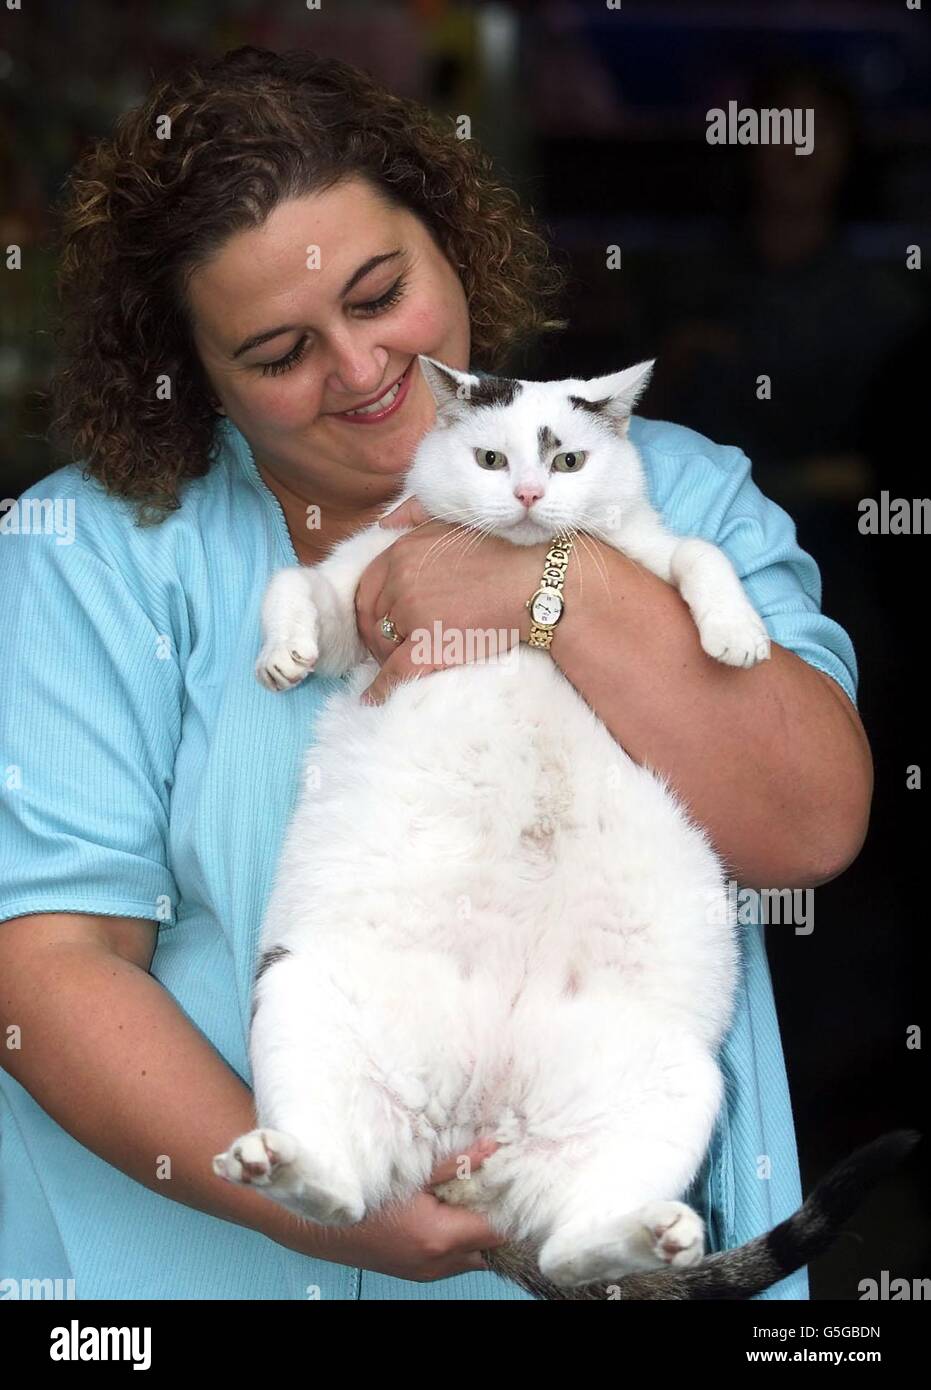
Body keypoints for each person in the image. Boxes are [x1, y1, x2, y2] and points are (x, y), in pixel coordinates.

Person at [0, 46, 870, 1301]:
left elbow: (809, 823)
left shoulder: (664, 486)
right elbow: (47, 960)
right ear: (193, 370)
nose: (359, 372)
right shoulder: (85, 555)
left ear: (452, 239)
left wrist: (542, 577)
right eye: (277, 348)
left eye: (378, 292)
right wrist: (322, 1215)